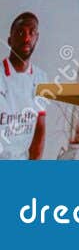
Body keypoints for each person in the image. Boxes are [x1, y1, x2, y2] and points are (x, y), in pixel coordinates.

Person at [1, 12, 46, 159]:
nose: (26, 38)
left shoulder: (40, 77)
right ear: (9, 40)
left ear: (37, 38)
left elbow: (39, 128)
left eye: (31, 33)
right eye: (20, 32)